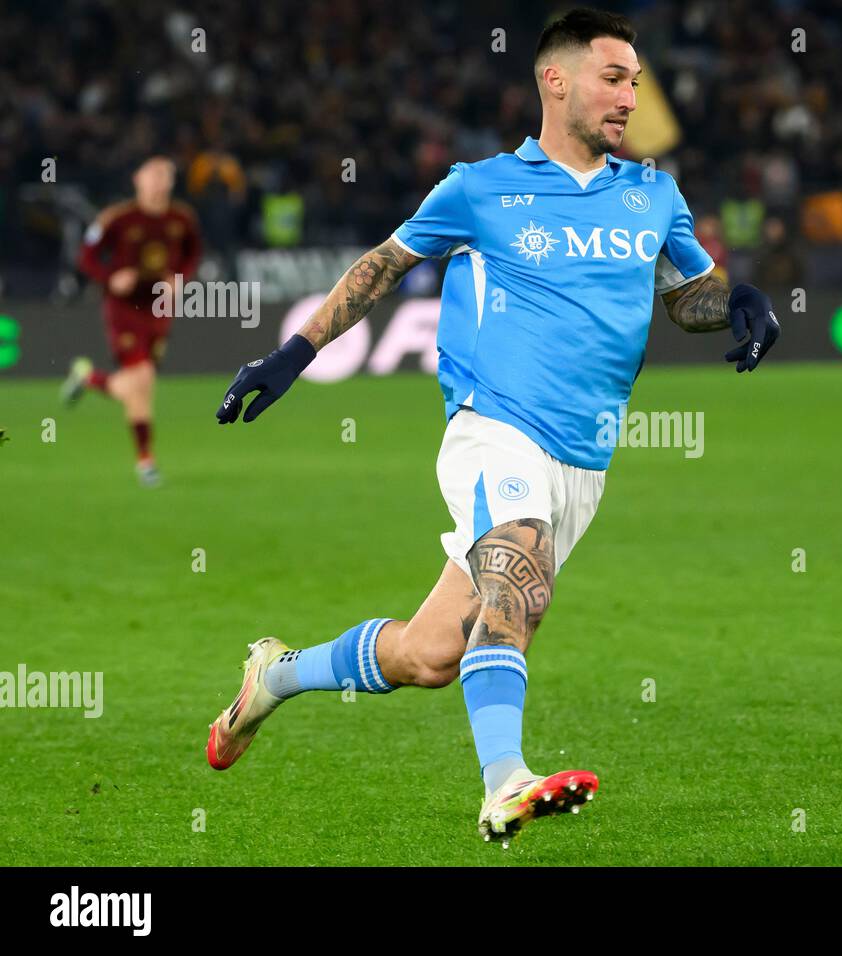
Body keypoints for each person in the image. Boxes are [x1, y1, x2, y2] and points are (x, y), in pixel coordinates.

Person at [205, 7, 780, 845]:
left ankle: (276, 675)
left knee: (430, 656)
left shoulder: (652, 193)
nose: (628, 98)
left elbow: (687, 295)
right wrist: (291, 355)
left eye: (635, 83)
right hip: (493, 427)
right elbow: (382, 267)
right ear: (557, 79)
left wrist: (740, 300)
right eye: (613, 79)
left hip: (585, 461)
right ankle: (505, 782)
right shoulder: (479, 188)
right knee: (520, 570)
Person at [63, 156, 202, 486]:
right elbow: (87, 256)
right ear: (137, 180)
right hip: (124, 308)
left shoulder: (181, 218)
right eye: (153, 175)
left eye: (165, 175)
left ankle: (89, 378)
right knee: (141, 377)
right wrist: (110, 277)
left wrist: (179, 278)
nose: (159, 182)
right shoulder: (118, 218)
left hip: (158, 307)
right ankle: (145, 461)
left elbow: (192, 253)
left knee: (139, 382)